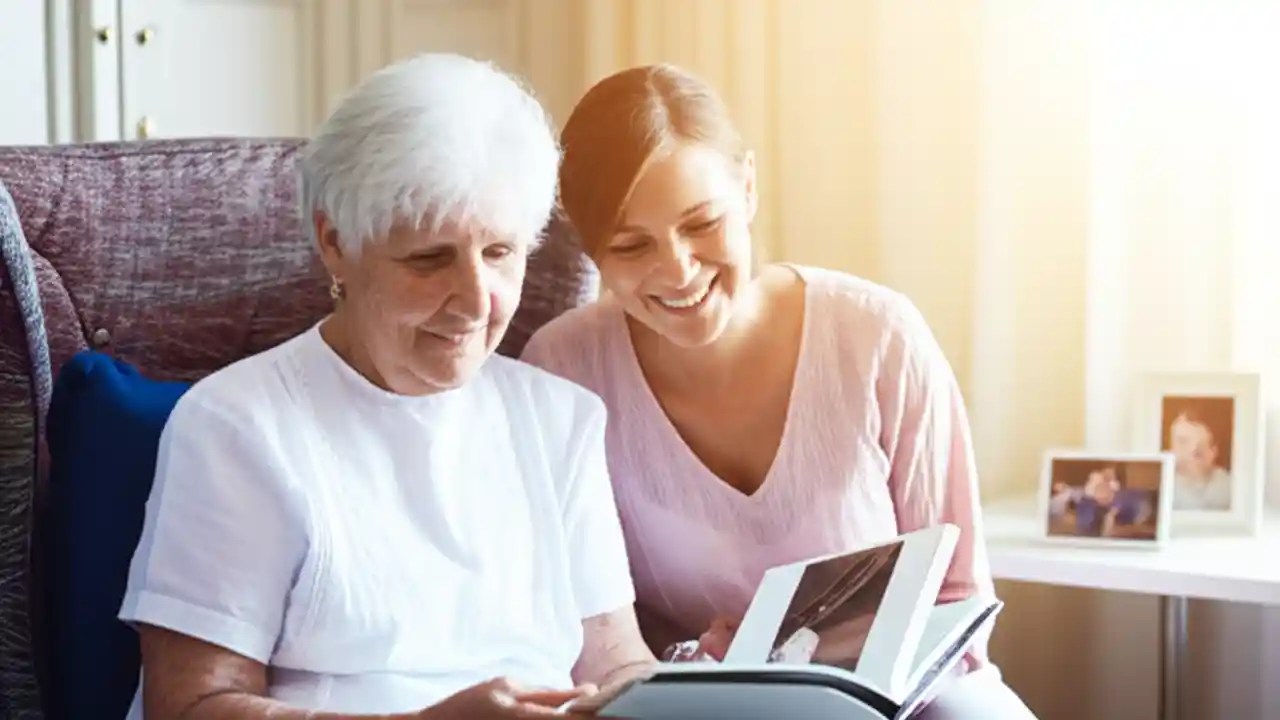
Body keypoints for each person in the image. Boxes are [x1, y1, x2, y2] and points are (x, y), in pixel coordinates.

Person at [116, 53, 655, 719]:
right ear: (335, 242)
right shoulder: (235, 426)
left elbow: (617, 664)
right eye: (429, 258)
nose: (475, 302)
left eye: (500, 253)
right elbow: (190, 705)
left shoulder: (561, 420)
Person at [520, 63, 1037, 718]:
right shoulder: (563, 367)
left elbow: (957, 600)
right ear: (592, 250)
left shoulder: (879, 337)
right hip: (696, 703)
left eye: (702, 223)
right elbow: (578, 620)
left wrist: (815, 666)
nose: (677, 270)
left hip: (906, 700)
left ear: (749, 186)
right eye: (631, 244)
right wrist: (706, 666)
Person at [1169, 409, 1233, 510]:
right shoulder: (1163, 487)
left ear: (1213, 451)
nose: (1189, 452)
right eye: (1182, 442)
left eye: (1200, 448)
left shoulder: (1230, 487)